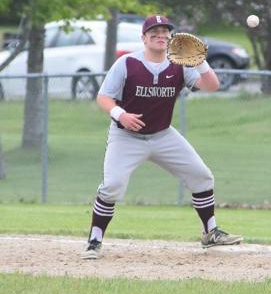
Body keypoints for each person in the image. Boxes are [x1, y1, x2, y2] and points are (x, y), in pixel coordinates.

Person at [81, 14, 243, 259]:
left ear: (170, 37)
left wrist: (201, 62)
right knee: (112, 186)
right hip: (126, 137)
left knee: (201, 176)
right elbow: (103, 97)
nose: (160, 36)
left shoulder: (178, 64)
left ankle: (210, 233)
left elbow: (212, 86)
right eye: (153, 33)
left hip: (163, 135)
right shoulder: (127, 63)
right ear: (143, 37)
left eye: (165, 32)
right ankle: (94, 240)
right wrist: (120, 114)